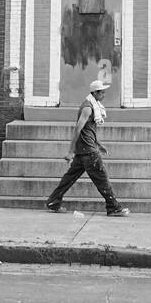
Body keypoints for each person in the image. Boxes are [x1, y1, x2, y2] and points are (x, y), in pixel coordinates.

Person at [45, 81, 129, 216]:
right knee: (102, 180)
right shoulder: (88, 108)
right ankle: (113, 208)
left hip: (84, 150)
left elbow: (89, 130)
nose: (104, 94)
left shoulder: (93, 106)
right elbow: (78, 128)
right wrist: (70, 151)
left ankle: (53, 202)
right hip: (88, 152)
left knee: (69, 179)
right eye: (101, 92)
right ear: (94, 93)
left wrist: (99, 144)